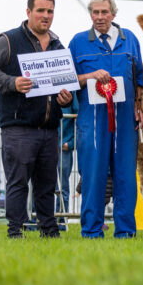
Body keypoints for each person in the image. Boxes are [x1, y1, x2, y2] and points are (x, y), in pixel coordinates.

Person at [0, 0, 74, 238]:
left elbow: (63, 86)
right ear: (28, 12)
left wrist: (66, 98)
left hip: (49, 128)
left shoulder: (57, 45)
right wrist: (12, 82)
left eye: (50, 11)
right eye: (40, 10)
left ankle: (49, 230)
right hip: (18, 127)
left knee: (46, 185)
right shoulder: (9, 40)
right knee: (18, 183)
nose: (46, 16)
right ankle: (15, 231)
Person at [68, 0, 143, 239]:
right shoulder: (78, 42)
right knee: (92, 177)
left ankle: (126, 231)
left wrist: (139, 107)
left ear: (113, 13)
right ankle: (91, 231)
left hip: (125, 121)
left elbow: (139, 78)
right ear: (90, 14)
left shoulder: (130, 39)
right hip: (92, 122)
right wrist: (90, 76)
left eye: (104, 12)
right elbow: (68, 80)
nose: (100, 17)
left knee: (125, 179)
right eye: (95, 12)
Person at [55, 96, 78, 225]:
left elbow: (79, 118)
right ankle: (37, 220)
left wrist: (70, 144)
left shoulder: (71, 92)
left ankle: (61, 220)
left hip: (63, 148)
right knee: (39, 185)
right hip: (46, 145)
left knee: (62, 186)